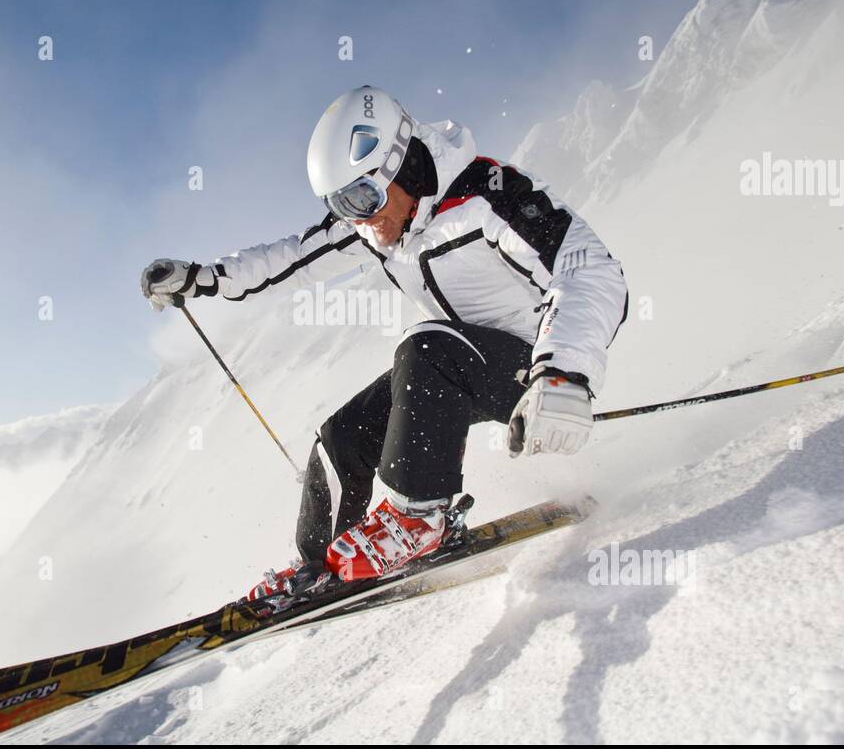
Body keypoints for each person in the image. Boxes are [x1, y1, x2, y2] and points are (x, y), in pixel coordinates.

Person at [141, 86, 627, 597]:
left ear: (399, 161)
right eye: (340, 205)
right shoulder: (375, 224)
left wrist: (563, 371)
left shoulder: (490, 195)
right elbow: (289, 257)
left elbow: (591, 270)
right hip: (455, 370)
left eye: (362, 198)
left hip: (539, 374)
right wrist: (203, 278)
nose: (359, 219)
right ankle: (321, 566)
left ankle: (418, 518)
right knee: (340, 436)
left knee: (423, 347)